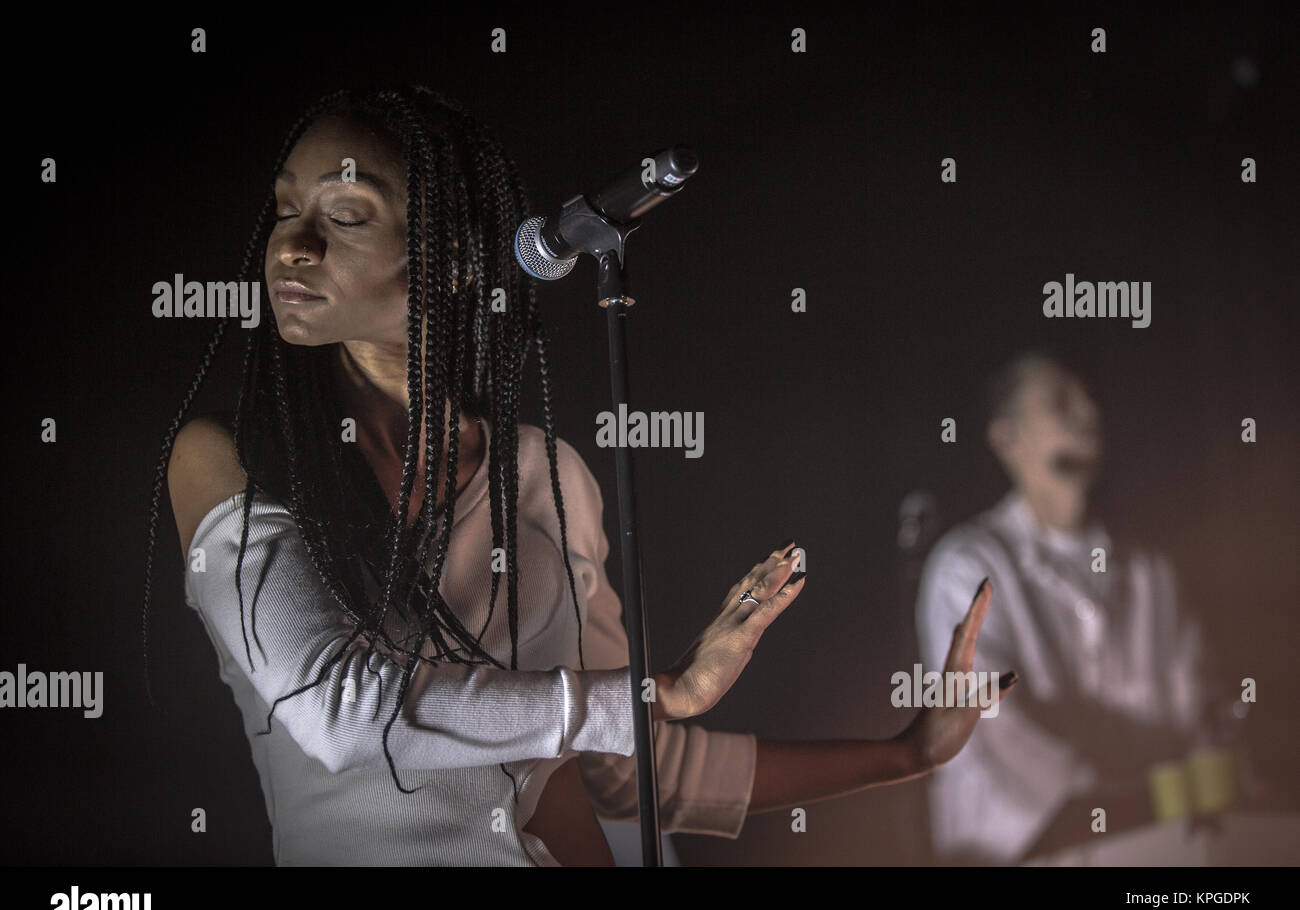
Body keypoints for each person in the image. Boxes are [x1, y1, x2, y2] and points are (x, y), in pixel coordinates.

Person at [142, 86, 1010, 866]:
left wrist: (910, 753)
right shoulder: (227, 461)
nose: (291, 246)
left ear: (452, 262)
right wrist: (656, 693)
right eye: (287, 209)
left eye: (345, 215)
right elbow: (337, 713)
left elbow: (639, 770)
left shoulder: (546, 476)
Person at [915, 352, 1211, 864]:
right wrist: (1129, 799)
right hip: (1013, 854)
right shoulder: (968, 566)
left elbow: (1196, 700)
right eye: (1060, 402)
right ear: (1006, 438)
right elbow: (996, 726)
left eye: (1090, 399)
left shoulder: (1148, 569)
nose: (1087, 413)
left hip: (1153, 846)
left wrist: (1212, 754)